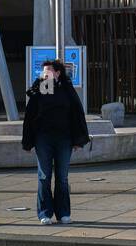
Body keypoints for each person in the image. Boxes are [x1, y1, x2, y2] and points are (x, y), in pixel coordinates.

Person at [21, 59, 90, 225]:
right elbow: (30, 116)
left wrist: (78, 140)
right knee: (44, 176)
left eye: (49, 70)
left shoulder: (67, 89)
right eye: (44, 71)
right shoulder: (41, 89)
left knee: (62, 177)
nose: (45, 73)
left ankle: (63, 213)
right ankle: (44, 213)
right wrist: (28, 142)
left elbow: (77, 114)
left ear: (58, 73)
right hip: (43, 138)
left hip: (64, 138)